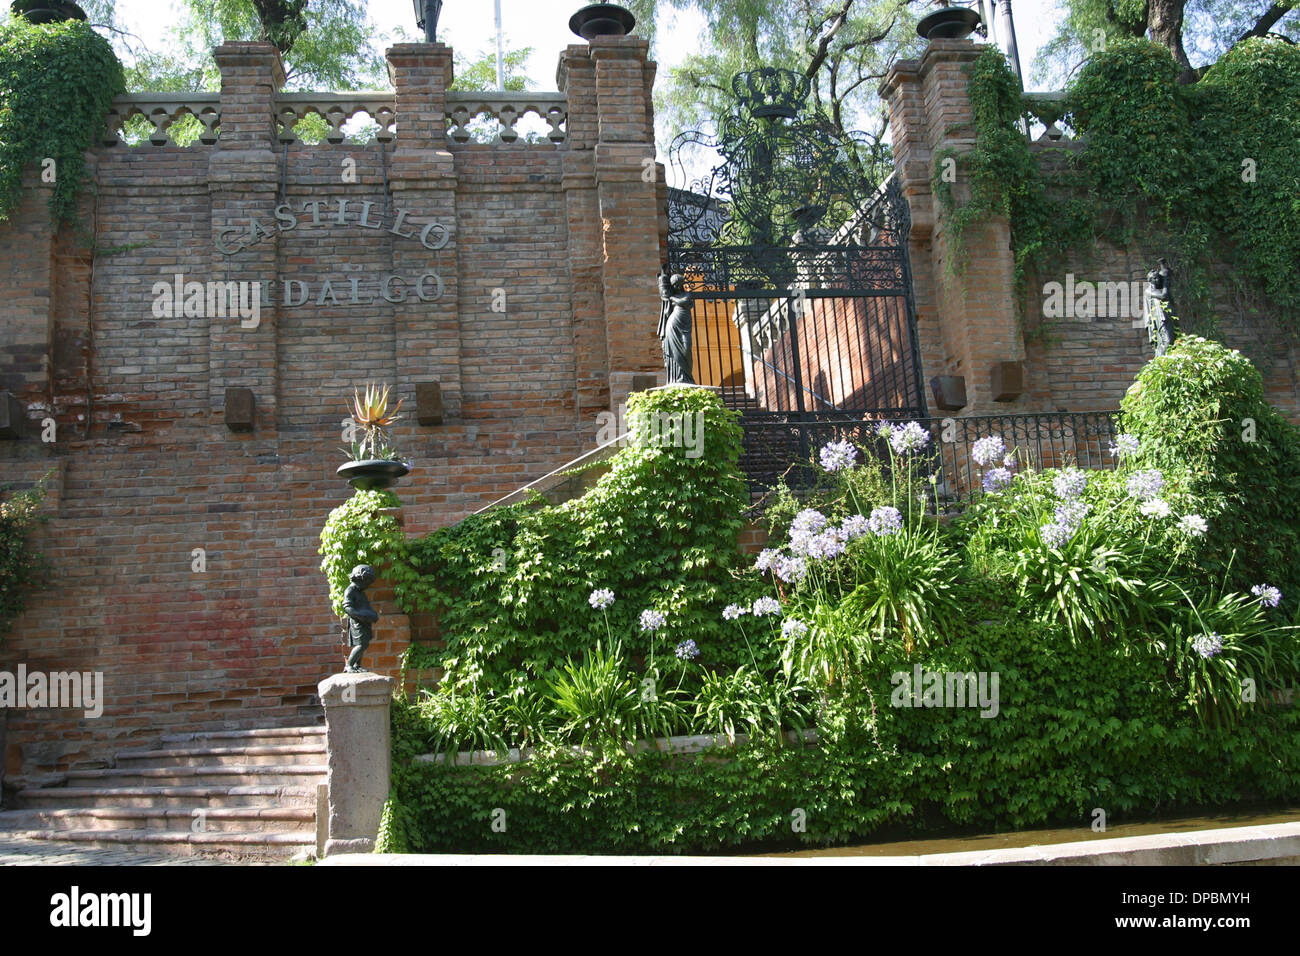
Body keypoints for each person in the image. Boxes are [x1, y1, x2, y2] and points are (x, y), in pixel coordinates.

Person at [658, 267, 695, 385]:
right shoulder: (673, 296)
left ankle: (687, 377)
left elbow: (683, 301)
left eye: (678, 284)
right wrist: (663, 278)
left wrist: (673, 298)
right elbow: (664, 294)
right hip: (673, 324)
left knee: (686, 348)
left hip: (685, 324)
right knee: (677, 351)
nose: (677, 287)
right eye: (674, 285)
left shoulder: (687, 294)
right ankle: (678, 378)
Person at [342, 564, 379, 673]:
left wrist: (371, 614)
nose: (367, 586)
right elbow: (348, 608)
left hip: (364, 622)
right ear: (360, 579)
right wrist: (362, 615)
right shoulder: (350, 591)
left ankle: (357, 665)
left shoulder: (360, 592)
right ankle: (349, 665)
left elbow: (365, 606)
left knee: (364, 644)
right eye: (367, 583)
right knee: (361, 644)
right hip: (357, 622)